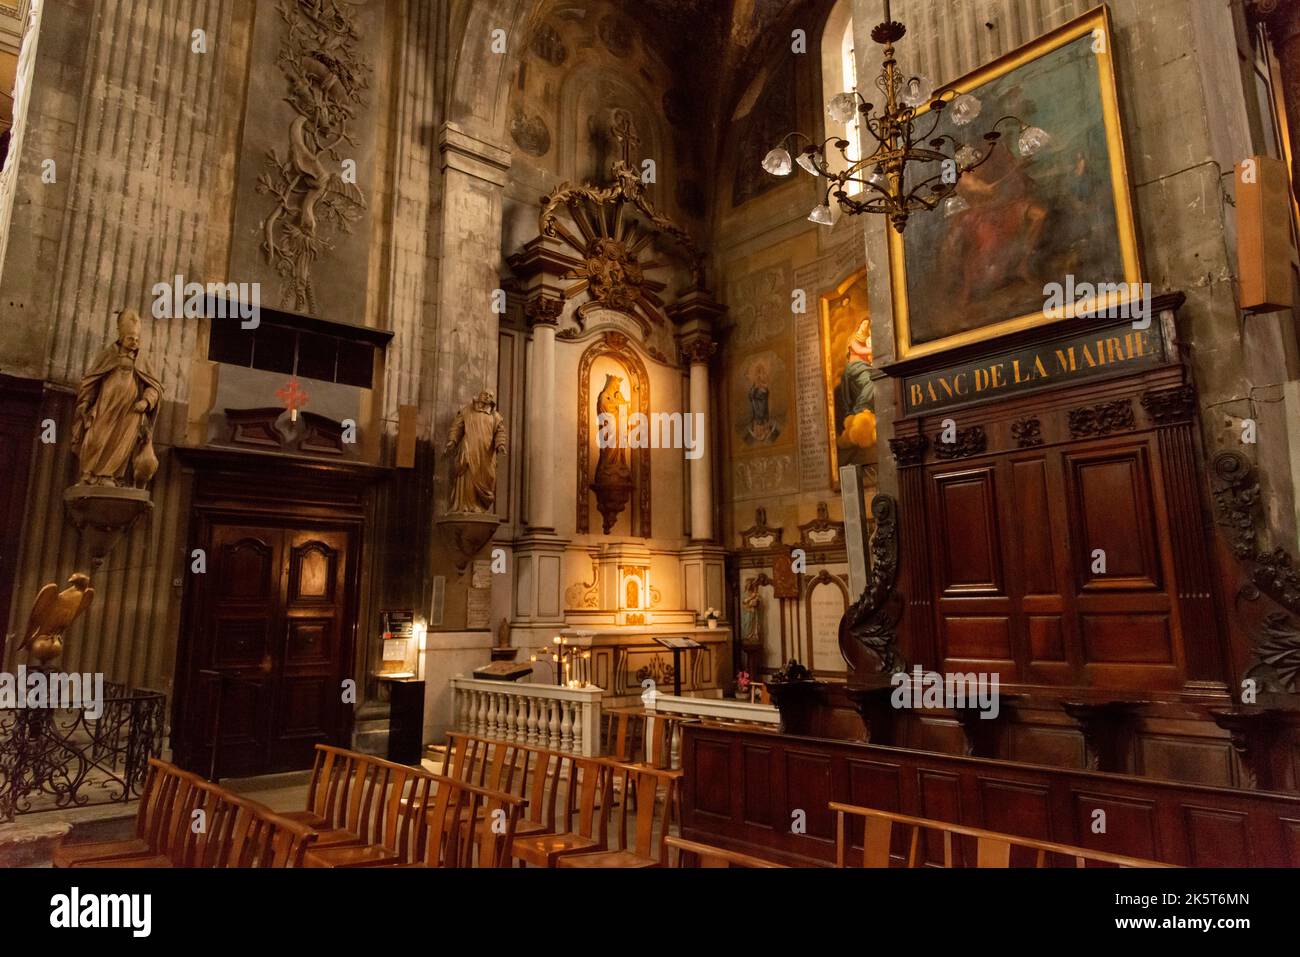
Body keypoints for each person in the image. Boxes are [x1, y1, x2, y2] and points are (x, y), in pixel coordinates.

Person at [71, 310, 162, 488]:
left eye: (137, 339)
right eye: (130, 338)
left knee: (120, 445)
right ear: (120, 336)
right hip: (105, 406)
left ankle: (109, 477)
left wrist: (146, 401)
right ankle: (88, 475)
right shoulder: (108, 355)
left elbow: (155, 387)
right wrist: (85, 402)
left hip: (130, 411)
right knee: (95, 439)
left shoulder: (142, 359)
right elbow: (92, 381)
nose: (134, 342)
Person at [445, 391, 507, 513]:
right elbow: (457, 427)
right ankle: (467, 506)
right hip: (469, 450)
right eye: (485, 394)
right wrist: (452, 441)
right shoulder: (466, 411)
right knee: (468, 478)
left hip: (486, 454)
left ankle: (479, 505)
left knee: (486, 477)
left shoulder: (495, 416)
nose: (487, 397)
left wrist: (500, 445)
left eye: (490, 396)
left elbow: (500, 432)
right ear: (479, 396)